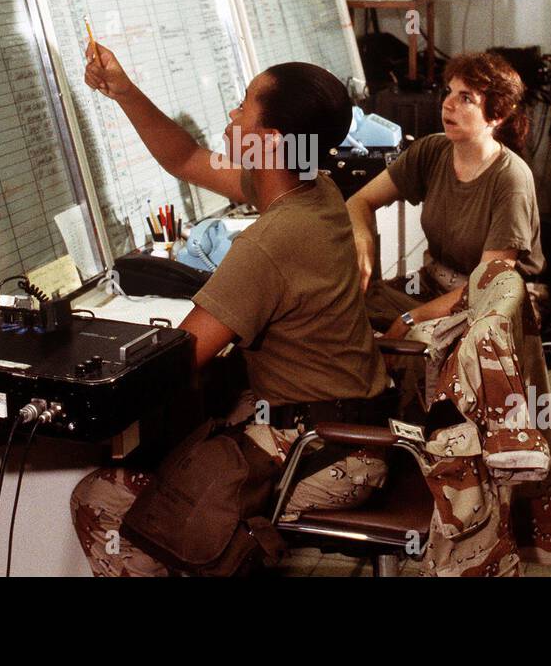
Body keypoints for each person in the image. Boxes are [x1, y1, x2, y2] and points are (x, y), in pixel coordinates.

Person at [70, 42, 392, 577]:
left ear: (268, 142)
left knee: (102, 496)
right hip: (350, 431)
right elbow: (185, 159)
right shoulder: (314, 189)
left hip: (327, 452)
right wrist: (123, 91)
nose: (231, 114)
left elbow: (181, 359)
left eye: (242, 105)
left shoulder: (271, 241)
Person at [348, 52, 545, 342]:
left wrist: (409, 319)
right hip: (432, 286)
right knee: (345, 312)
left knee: (421, 340)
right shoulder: (432, 150)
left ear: (497, 114)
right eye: (449, 91)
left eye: (466, 98)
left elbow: (487, 286)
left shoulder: (511, 178)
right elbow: (358, 201)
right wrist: (362, 239)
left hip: (494, 301)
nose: (447, 103)